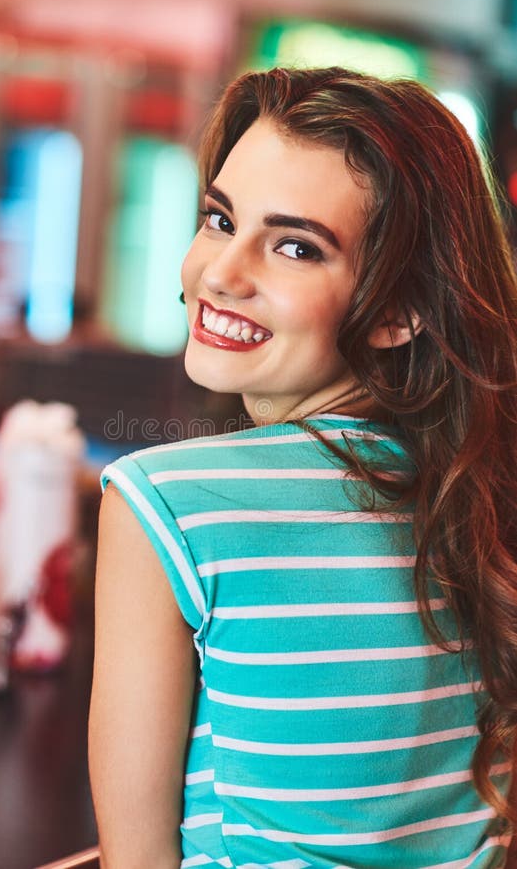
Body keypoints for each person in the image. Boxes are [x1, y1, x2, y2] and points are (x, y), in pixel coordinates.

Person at [88, 67, 517, 868]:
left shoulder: (168, 505)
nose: (221, 272)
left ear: (398, 310)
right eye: (219, 219)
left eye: (294, 246)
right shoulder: (485, 499)